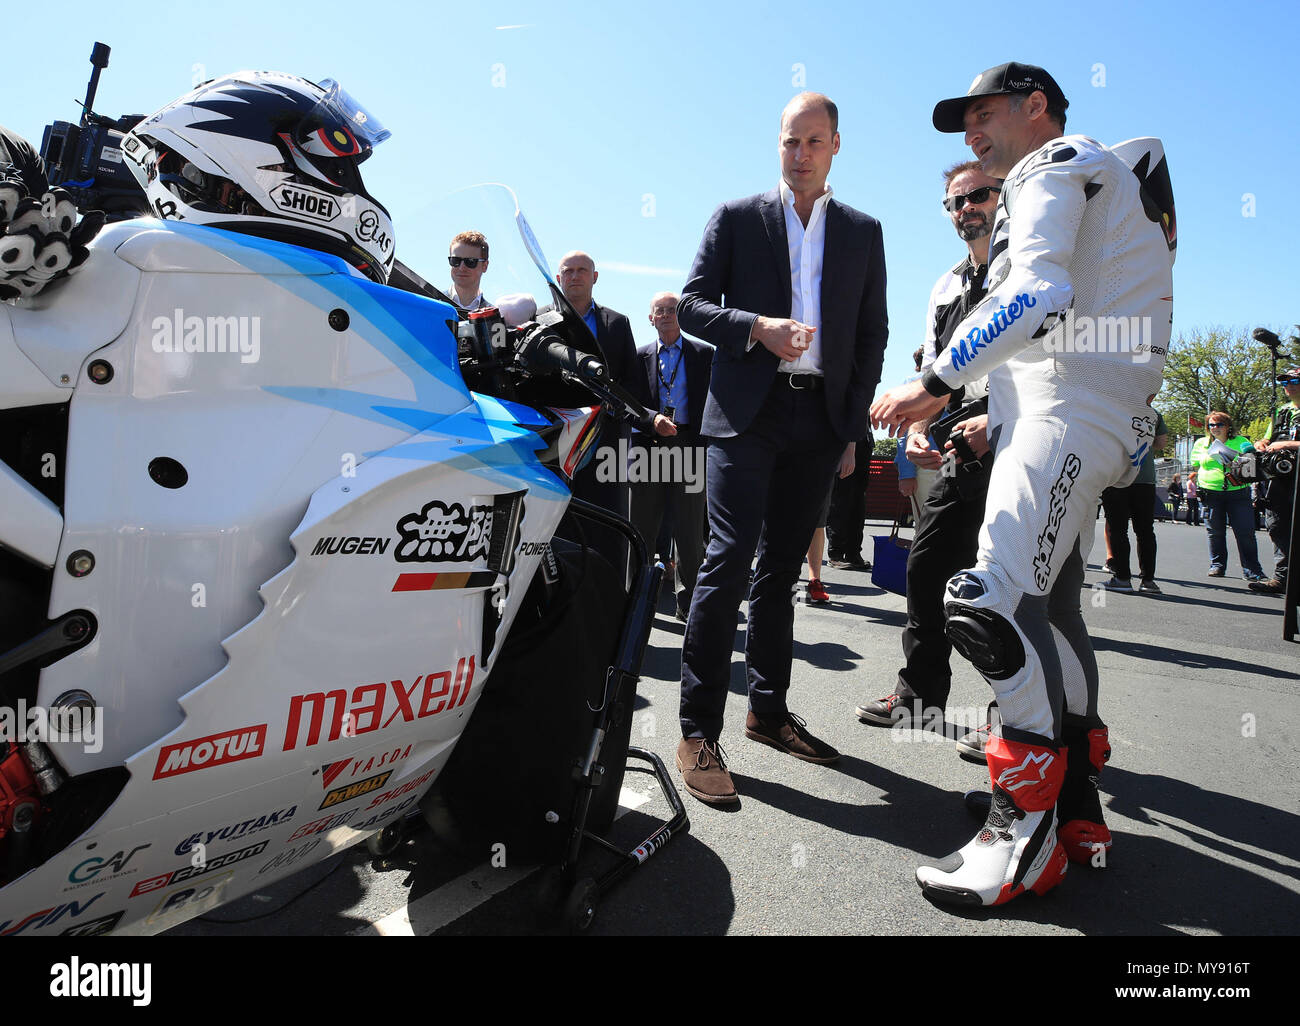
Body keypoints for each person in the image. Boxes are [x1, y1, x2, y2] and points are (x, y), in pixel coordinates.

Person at [872, 61, 1176, 906]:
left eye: (984, 114)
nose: (972, 131)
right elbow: (1080, 324)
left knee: (988, 604)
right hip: (1072, 417)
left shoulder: (1051, 163)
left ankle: (1023, 830)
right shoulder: (1099, 171)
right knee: (1041, 611)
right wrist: (994, 415)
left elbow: (1040, 295)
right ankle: (1074, 809)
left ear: (1034, 107)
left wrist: (929, 383)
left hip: (1067, 419)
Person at [675, 91, 888, 806]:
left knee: (782, 571)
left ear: (835, 147)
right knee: (728, 560)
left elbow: (870, 336)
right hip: (747, 413)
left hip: (820, 420)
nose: (801, 154)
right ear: (778, 143)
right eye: (790, 141)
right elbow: (694, 304)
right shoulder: (737, 218)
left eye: (814, 142)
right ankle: (698, 730)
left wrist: (851, 426)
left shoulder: (862, 231)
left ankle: (767, 712)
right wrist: (756, 327)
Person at [856, 159, 998, 737]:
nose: (966, 210)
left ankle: (1015, 718)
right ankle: (920, 698)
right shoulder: (946, 286)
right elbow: (938, 373)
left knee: (1005, 586)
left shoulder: (1027, 271)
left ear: (1005, 196)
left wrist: (997, 417)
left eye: (977, 196)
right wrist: (918, 428)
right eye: (955, 203)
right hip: (959, 450)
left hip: (1020, 447)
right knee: (926, 568)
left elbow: (1048, 368)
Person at [549, 251, 639, 574]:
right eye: (568, 271)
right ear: (558, 279)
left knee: (610, 523)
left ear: (595, 277)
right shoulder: (541, 322)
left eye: (581, 270)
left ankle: (613, 602)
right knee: (557, 522)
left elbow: (633, 383)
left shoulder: (617, 324)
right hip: (556, 441)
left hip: (607, 442)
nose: (574, 276)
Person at [626, 292, 714, 620]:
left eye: (672, 310)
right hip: (647, 447)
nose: (665, 315)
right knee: (642, 531)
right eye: (659, 311)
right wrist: (652, 420)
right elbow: (630, 404)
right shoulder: (637, 356)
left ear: (683, 316)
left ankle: (690, 606)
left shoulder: (705, 354)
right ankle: (635, 603)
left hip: (689, 445)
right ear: (650, 318)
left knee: (690, 534)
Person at [1190, 413, 1266, 581]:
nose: (1215, 428)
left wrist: (1232, 462)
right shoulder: (1200, 444)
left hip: (1238, 492)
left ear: (1228, 426)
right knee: (1215, 532)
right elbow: (1195, 465)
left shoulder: (1242, 442)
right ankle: (1217, 565)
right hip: (1210, 492)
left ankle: (1252, 570)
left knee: (1245, 532)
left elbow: (1251, 470)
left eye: (1219, 424)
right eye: (1211, 425)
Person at [1100, 411, 1168, 593]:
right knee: (1145, 530)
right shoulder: (1153, 414)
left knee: (1118, 529)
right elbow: (1161, 443)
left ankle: (1122, 578)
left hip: (1117, 476)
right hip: (1144, 477)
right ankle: (1148, 580)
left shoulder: (1114, 407)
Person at [1249, 368, 1300, 594]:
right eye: (1285, 382)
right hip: (1280, 477)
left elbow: (1284, 443)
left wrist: (1288, 445)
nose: (1289, 385)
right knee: (1277, 525)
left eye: (1295, 380)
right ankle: (1282, 578)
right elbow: (1269, 439)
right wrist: (1261, 443)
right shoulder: (1282, 411)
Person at [447, 230, 491, 313]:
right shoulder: (432, 305)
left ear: (485, 266)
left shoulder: (495, 319)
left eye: (470, 261)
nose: (461, 267)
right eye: (455, 260)